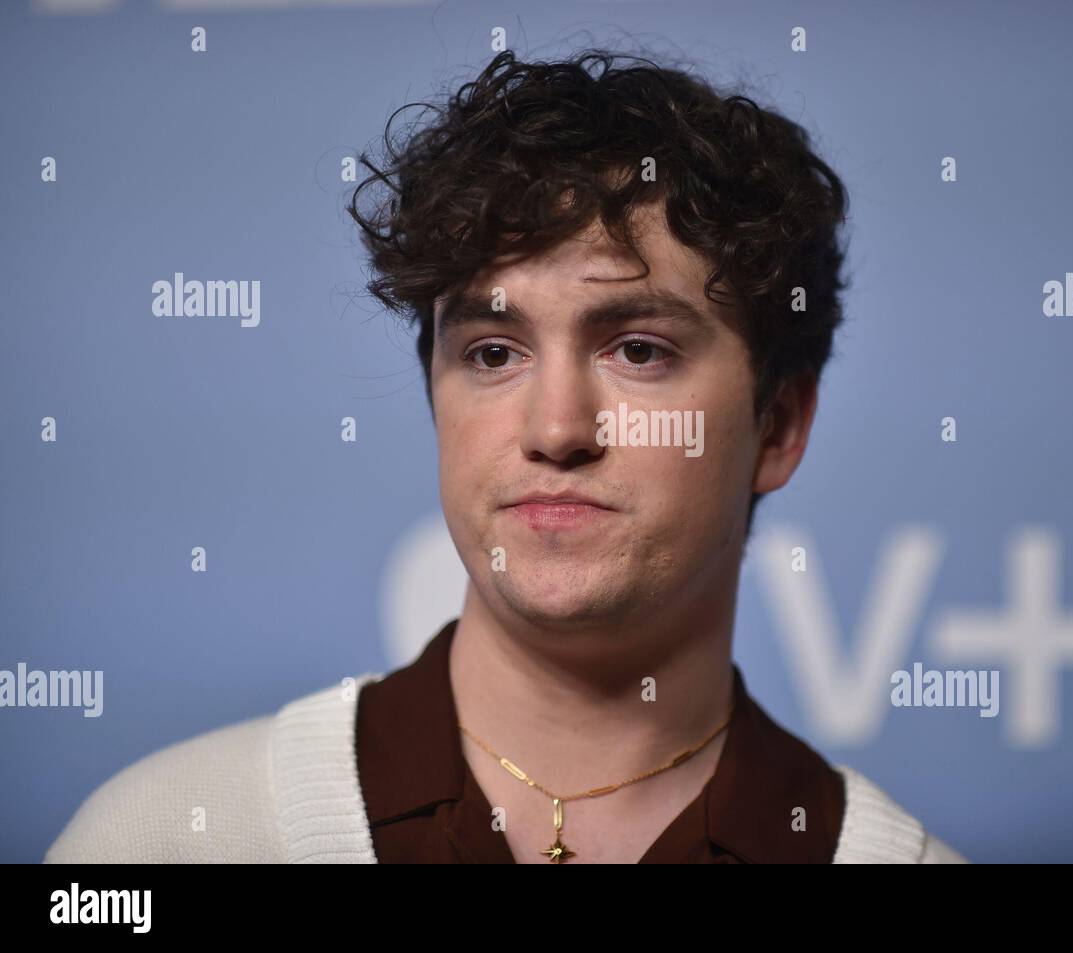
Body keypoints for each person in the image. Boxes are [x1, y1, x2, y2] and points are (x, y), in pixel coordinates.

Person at [45, 48, 965, 864]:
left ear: (778, 427)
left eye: (638, 349)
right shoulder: (167, 839)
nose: (556, 429)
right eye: (493, 353)